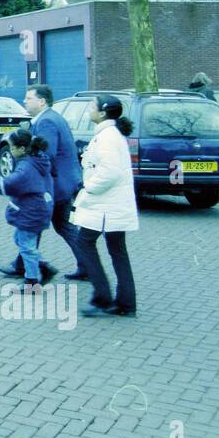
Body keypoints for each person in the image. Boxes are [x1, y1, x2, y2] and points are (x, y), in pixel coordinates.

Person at [0, 84, 82, 281]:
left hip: (56, 185)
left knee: (34, 224)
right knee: (60, 225)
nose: (24, 101)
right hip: (62, 182)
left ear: (42, 101)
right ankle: (86, 264)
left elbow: (46, 153)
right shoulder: (49, 118)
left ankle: (32, 270)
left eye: (29, 98)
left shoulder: (47, 122)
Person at [72, 95, 138, 317]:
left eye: (92, 106)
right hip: (112, 206)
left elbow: (109, 172)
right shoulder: (109, 134)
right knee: (117, 250)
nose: (89, 109)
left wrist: (88, 186)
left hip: (104, 205)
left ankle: (103, 298)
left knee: (84, 243)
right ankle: (125, 303)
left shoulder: (107, 137)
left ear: (102, 113)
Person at [0, 129, 55, 288]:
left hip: (31, 211)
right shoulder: (38, 159)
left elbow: (12, 183)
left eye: (12, 148)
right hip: (40, 208)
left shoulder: (26, 167)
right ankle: (42, 265)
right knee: (21, 240)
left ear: (22, 149)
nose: (10, 151)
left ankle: (31, 282)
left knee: (27, 247)